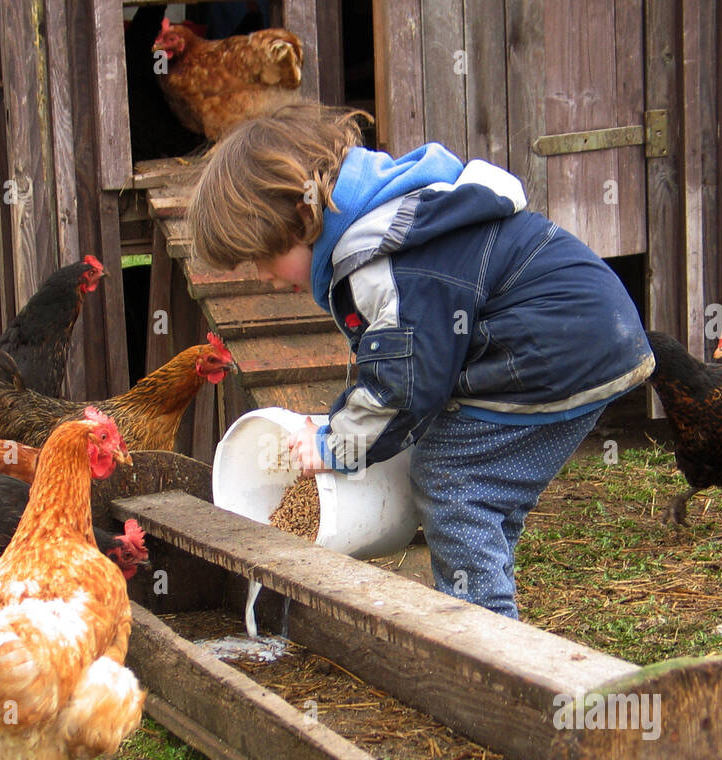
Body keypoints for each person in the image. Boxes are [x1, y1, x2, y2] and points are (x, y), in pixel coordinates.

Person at [188, 104, 653, 619]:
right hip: (591, 333)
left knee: (453, 480)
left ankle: (487, 650)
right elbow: (407, 365)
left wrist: (333, 444)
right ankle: (491, 611)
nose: (263, 276)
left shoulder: (383, 259)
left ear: (302, 215)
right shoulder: (397, 220)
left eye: (261, 257)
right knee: (483, 490)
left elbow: (404, 386)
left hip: (554, 345)